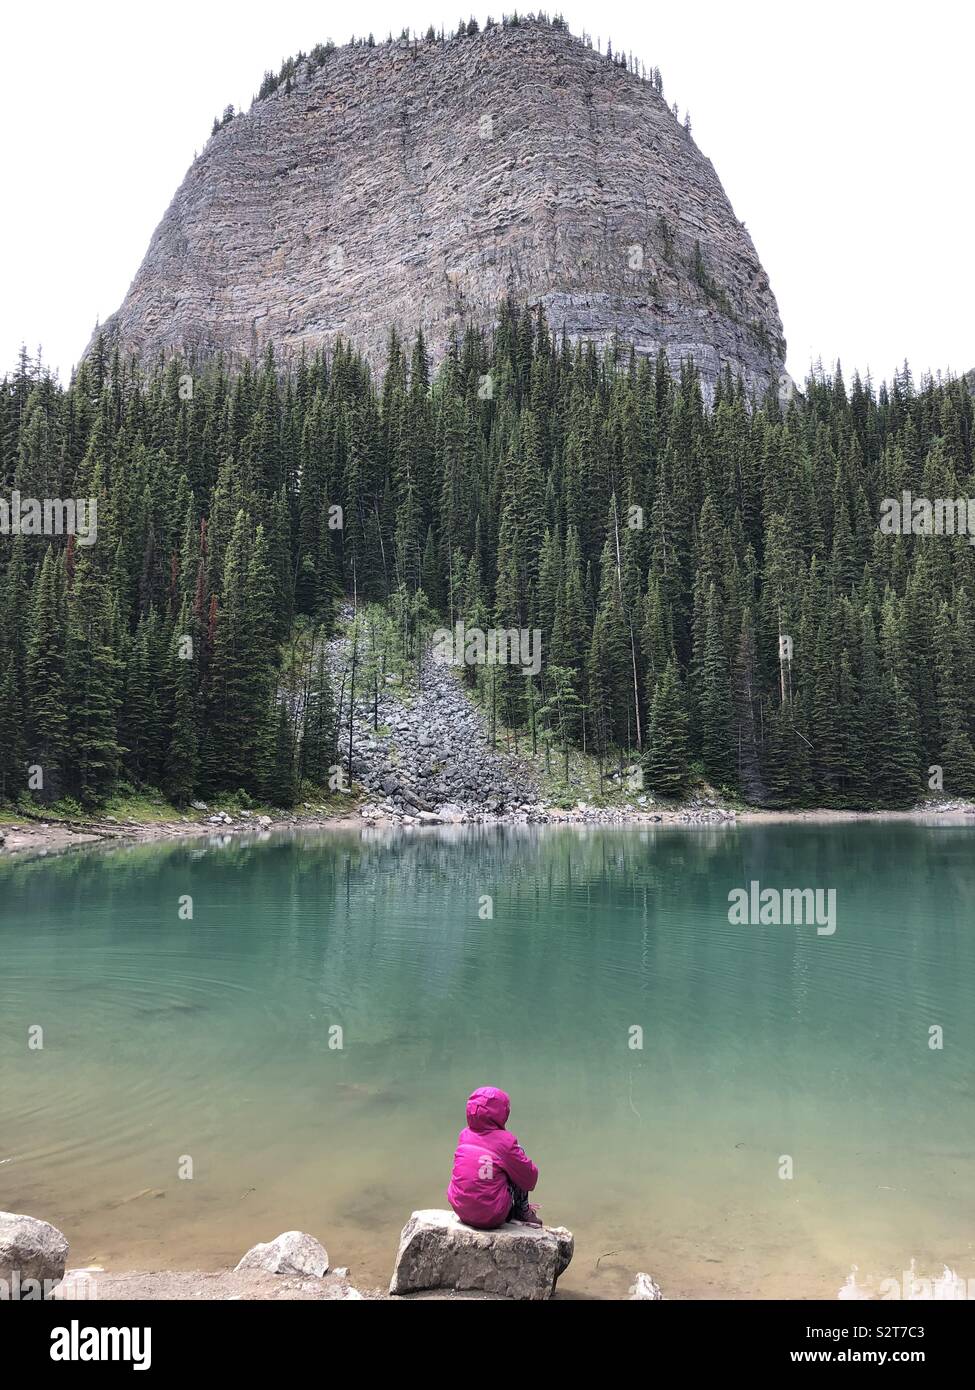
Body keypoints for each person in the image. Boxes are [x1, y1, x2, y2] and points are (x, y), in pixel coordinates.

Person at [447, 1085, 542, 1228]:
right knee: (517, 1159)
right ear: (502, 1113)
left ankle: (473, 1204)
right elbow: (529, 1178)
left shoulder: (464, 1135)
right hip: (492, 1216)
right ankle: (522, 1212)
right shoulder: (506, 1142)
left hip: (460, 1209)